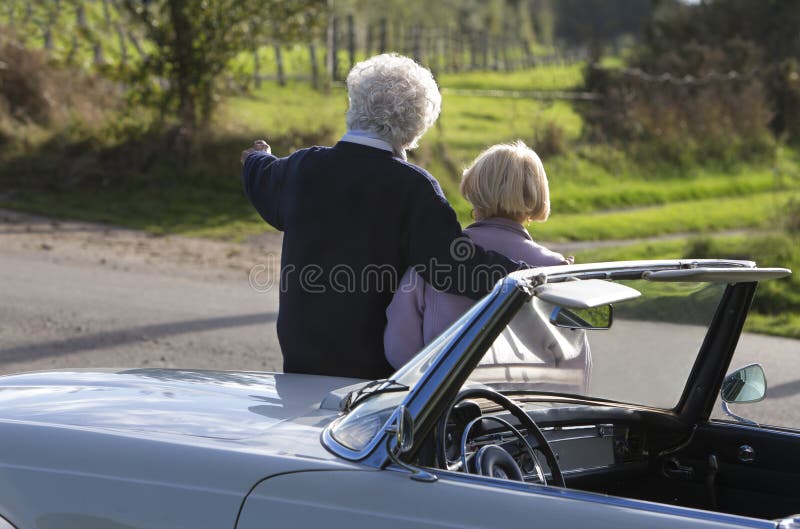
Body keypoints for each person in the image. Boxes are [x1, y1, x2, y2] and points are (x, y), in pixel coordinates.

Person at [241, 54, 526, 380]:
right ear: (417, 122)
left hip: (301, 358)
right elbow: (455, 267)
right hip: (374, 372)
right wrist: (527, 277)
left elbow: (263, 177)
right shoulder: (413, 188)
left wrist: (255, 158)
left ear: (354, 103)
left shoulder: (303, 168)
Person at [384, 141, 587, 392]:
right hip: (526, 414)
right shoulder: (555, 270)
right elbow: (573, 366)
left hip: (446, 406)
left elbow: (398, 347)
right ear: (536, 192)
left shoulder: (437, 257)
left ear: (474, 188)